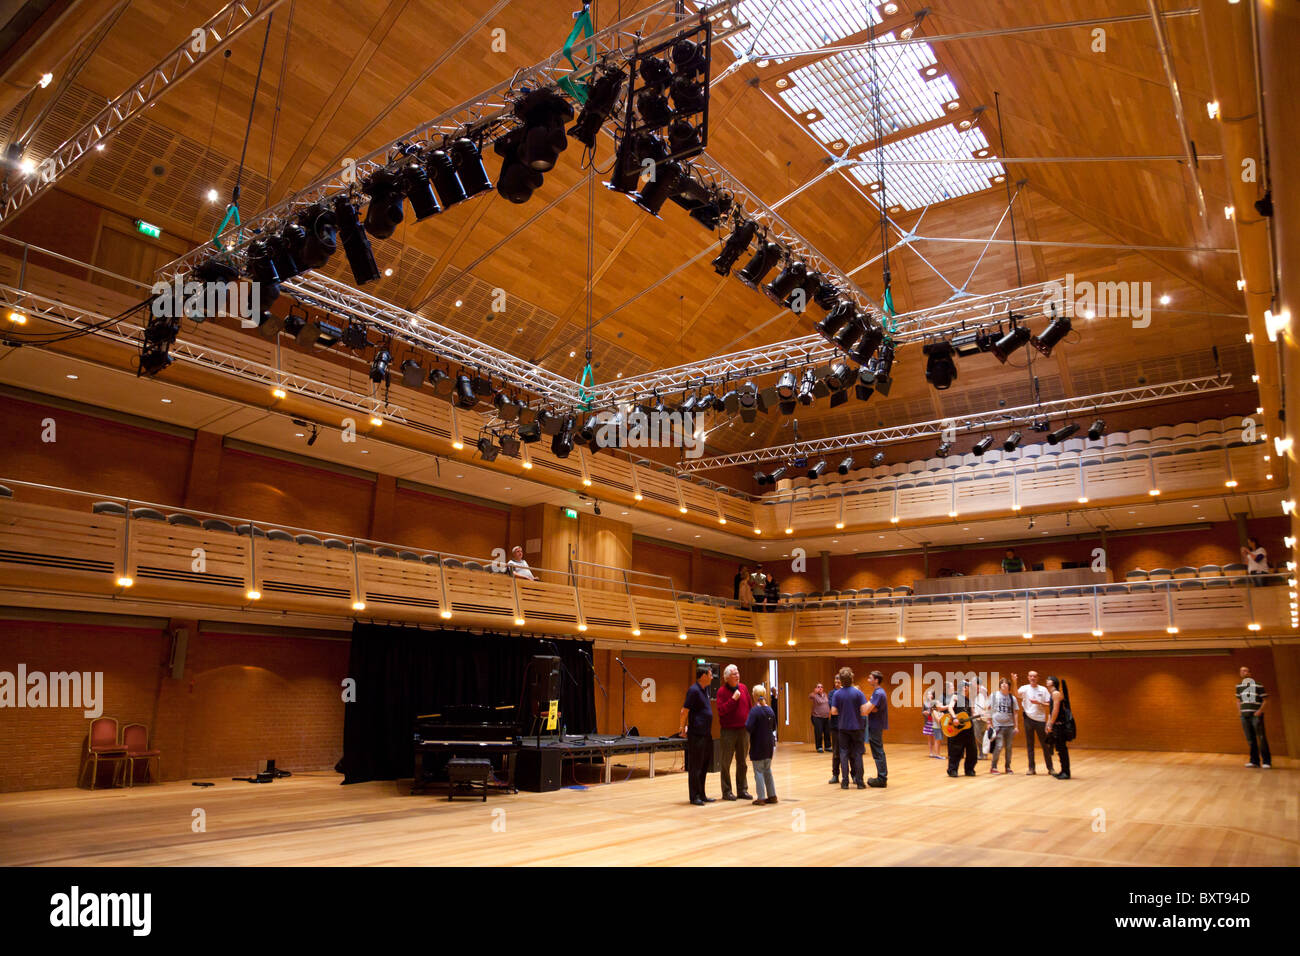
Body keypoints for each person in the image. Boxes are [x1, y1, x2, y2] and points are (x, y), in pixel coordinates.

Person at [715, 664, 753, 801]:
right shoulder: (721, 692)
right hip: (728, 731)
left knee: (742, 762)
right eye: (734, 674)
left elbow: (749, 706)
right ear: (726, 678)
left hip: (743, 730)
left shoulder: (743, 688)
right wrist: (733, 700)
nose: (737, 675)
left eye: (737, 673)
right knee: (726, 762)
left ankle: (742, 789)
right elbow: (721, 711)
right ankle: (727, 791)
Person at [678, 665, 714, 806]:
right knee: (696, 766)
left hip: (706, 733)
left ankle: (702, 794)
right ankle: (694, 796)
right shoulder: (693, 690)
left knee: (704, 765)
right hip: (696, 734)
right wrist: (682, 727)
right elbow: (684, 711)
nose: (712, 677)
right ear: (703, 675)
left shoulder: (705, 690)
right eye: (710, 674)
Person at [830, 666, 868, 789]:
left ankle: (845, 782)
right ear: (852, 678)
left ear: (841, 680)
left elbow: (834, 711)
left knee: (843, 753)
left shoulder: (837, 694)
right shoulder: (858, 693)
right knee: (857, 754)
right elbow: (863, 712)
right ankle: (860, 782)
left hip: (843, 727)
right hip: (857, 727)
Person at [1012, 670, 1054, 775]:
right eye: (1030, 676)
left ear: (1037, 678)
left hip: (1040, 720)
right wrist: (1014, 682)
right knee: (1030, 745)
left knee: (1045, 745)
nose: (1032, 678)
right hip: (1028, 719)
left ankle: (1050, 768)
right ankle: (1031, 768)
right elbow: (1016, 694)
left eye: (1034, 676)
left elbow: (1049, 703)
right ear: (1028, 677)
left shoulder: (1043, 689)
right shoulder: (1024, 688)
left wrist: (1039, 703)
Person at [746, 683, 778, 805]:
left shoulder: (755, 711)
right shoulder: (770, 710)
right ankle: (772, 795)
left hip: (758, 744)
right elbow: (774, 726)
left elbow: (748, 727)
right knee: (767, 770)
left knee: (758, 771)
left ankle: (761, 797)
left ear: (754, 696)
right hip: (769, 745)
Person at [939, 679, 978, 777]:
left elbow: (973, 713)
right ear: (964, 687)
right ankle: (952, 770)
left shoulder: (969, 700)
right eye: (968, 686)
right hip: (957, 727)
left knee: (972, 750)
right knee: (956, 750)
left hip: (968, 728)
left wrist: (979, 715)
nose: (969, 688)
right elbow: (950, 708)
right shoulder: (955, 696)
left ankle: (969, 770)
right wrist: (954, 717)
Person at [1236, 665, 1272, 768]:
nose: (1243, 673)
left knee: (1261, 738)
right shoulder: (1239, 686)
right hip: (1244, 716)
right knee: (1250, 739)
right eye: (1241, 671)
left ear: (1250, 673)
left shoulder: (1258, 685)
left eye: (1245, 671)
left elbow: (1265, 700)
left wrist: (1260, 711)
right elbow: (1238, 700)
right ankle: (1254, 761)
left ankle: (1266, 762)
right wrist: (1239, 711)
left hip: (1255, 715)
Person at [1043, 676, 1072, 780]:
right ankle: (1063, 771)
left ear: (1053, 683)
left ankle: (1066, 772)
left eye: (1049, 679)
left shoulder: (1056, 694)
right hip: (1056, 724)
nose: (1047, 680)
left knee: (1062, 749)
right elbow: (1051, 711)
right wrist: (1048, 723)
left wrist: (1051, 724)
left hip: (1060, 725)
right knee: (1059, 749)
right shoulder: (1053, 694)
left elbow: (1055, 710)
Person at [988, 677, 1019, 774]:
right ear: (1000, 685)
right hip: (998, 726)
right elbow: (989, 709)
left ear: (1009, 686)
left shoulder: (1012, 698)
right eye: (1002, 683)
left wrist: (1016, 726)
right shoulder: (994, 696)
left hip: (1009, 726)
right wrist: (989, 723)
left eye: (1006, 683)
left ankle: (1008, 767)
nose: (1004, 684)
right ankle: (993, 767)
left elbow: (1015, 712)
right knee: (999, 746)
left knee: (1009, 747)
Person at [863, 669, 888, 788]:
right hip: (876, 724)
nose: (868, 680)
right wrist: (872, 708)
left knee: (878, 752)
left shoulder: (878, 693)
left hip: (876, 725)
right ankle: (882, 776)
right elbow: (872, 708)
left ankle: (882, 778)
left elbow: (866, 710)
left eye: (870, 678)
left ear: (876, 680)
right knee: (878, 751)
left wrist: (870, 707)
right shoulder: (879, 692)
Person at [828, 673, 843, 783]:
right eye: (836, 682)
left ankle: (853, 775)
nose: (837, 684)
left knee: (849, 752)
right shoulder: (832, 693)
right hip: (835, 726)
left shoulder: (847, 692)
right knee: (836, 752)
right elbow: (833, 708)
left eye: (839, 682)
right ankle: (835, 775)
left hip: (846, 725)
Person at [809, 683, 831, 753]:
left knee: (827, 732)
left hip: (826, 717)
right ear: (816, 688)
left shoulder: (825, 695)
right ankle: (819, 747)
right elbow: (810, 696)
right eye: (818, 687)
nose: (820, 688)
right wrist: (814, 692)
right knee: (818, 732)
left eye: (821, 687)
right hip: (817, 717)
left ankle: (827, 746)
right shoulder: (814, 695)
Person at [971, 682, 990, 761]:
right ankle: (981, 752)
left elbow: (988, 706)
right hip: (976, 718)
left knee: (983, 735)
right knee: (977, 735)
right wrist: (973, 713)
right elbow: (972, 706)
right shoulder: (973, 695)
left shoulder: (985, 695)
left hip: (984, 717)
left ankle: (984, 753)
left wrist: (986, 714)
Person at [922, 689, 941, 758]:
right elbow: (922, 712)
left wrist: (929, 713)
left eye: (930, 694)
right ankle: (931, 752)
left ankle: (937, 753)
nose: (929, 695)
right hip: (928, 722)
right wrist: (924, 713)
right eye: (928, 694)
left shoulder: (935, 703)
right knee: (929, 739)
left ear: (933, 695)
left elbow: (936, 711)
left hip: (934, 722)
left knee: (936, 738)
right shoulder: (925, 703)